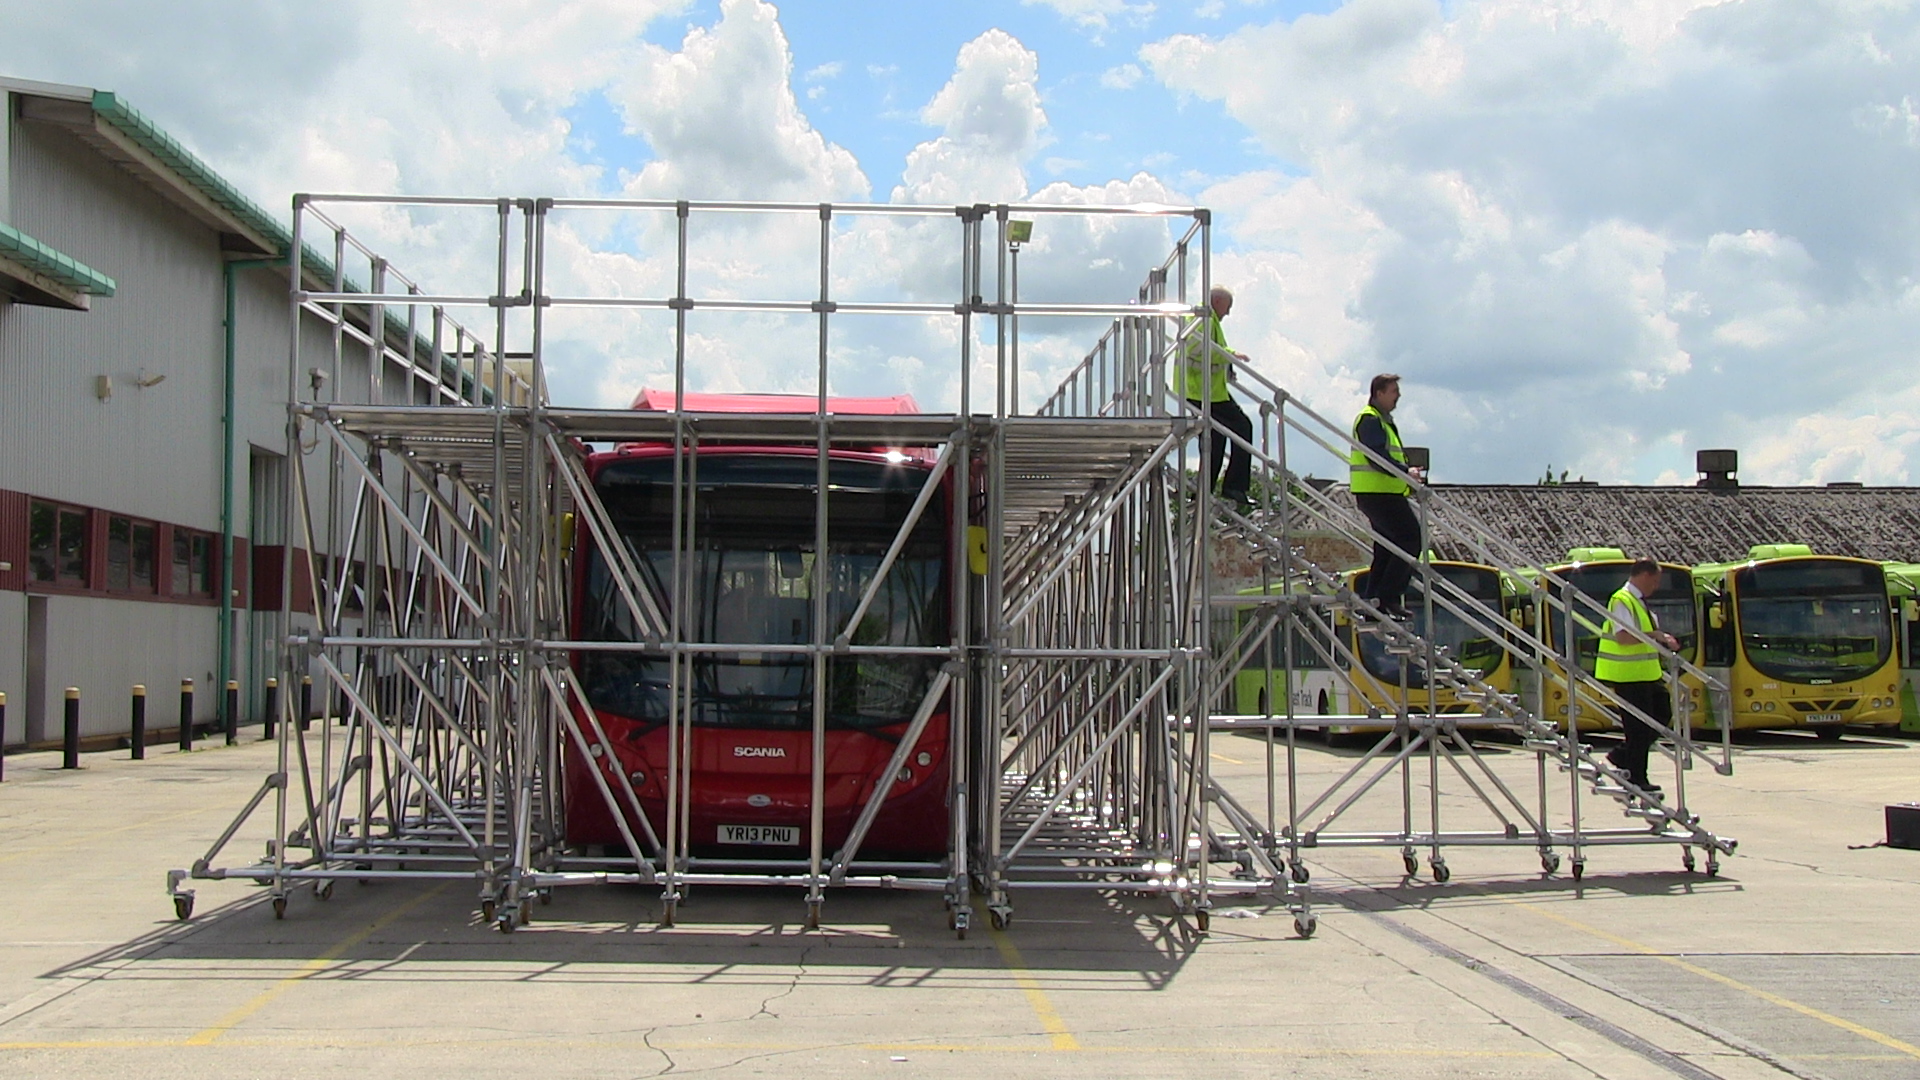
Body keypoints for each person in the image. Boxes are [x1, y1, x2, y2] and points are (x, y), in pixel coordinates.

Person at [1595, 559, 1680, 796]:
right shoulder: (1621, 600)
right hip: (1628, 675)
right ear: (1643, 575)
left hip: (1647, 674)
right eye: (1654, 580)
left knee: (1661, 716)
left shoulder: (1639, 602)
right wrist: (1657, 636)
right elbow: (1623, 637)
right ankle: (1636, 776)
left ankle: (1623, 756)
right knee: (1639, 728)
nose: (1656, 585)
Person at [1348, 374, 1422, 620]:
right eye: (1393, 391)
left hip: (1380, 493)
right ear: (1379, 393)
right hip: (1379, 494)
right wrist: (1405, 473)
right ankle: (1389, 596)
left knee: (1387, 548)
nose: (1398, 396)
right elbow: (1376, 457)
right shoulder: (1370, 419)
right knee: (1411, 538)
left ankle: (1373, 600)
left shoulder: (1380, 420)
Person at [1179, 285, 1253, 508]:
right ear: (1218, 302)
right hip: (1205, 393)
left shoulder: (1206, 321)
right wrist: (1229, 355)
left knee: (1215, 440)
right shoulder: (1204, 320)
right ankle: (1234, 485)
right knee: (1243, 427)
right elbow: (1196, 349)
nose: (1228, 312)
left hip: (1203, 391)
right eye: (1228, 306)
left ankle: (1206, 489)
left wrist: (1227, 364)